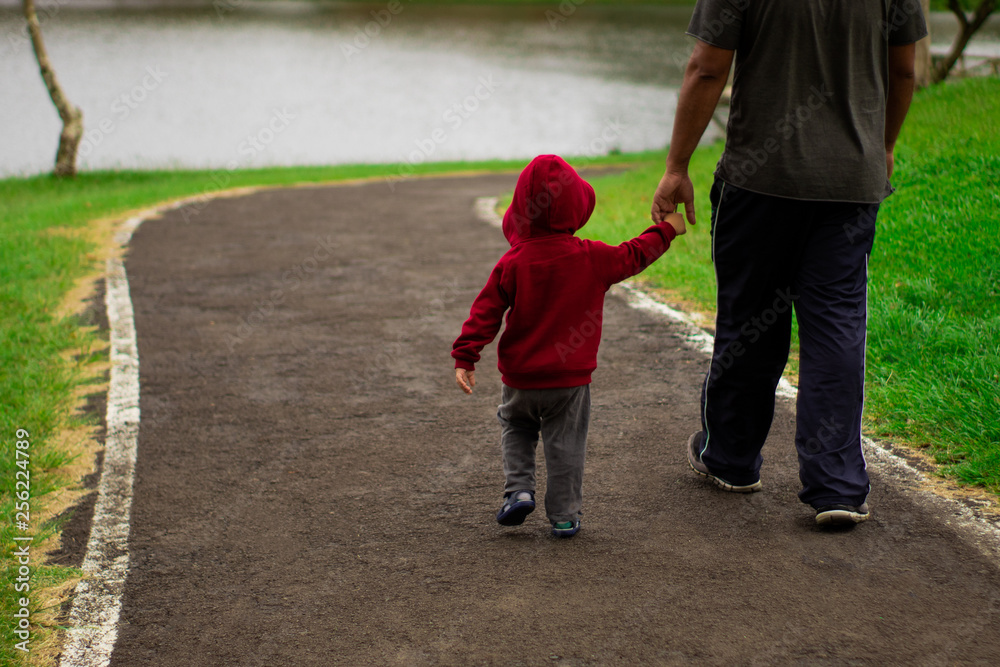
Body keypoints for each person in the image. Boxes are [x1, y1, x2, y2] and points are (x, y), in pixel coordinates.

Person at [651, 0, 927, 526]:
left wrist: (677, 166)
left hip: (759, 182)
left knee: (750, 319)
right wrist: (883, 144)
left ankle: (730, 460)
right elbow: (904, 67)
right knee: (836, 326)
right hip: (850, 184)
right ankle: (837, 485)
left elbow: (708, 67)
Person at [453, 154, 685, 537]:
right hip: (569, 381)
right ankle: (563, 515)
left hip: (521, 378)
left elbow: (486, 311)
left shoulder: (512, 262)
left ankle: (518, 492)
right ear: (576, 207)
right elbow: (634, 254)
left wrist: (466, 354)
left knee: (516, 426)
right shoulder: (591, 257)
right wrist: (666, 231)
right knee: (566, 446)